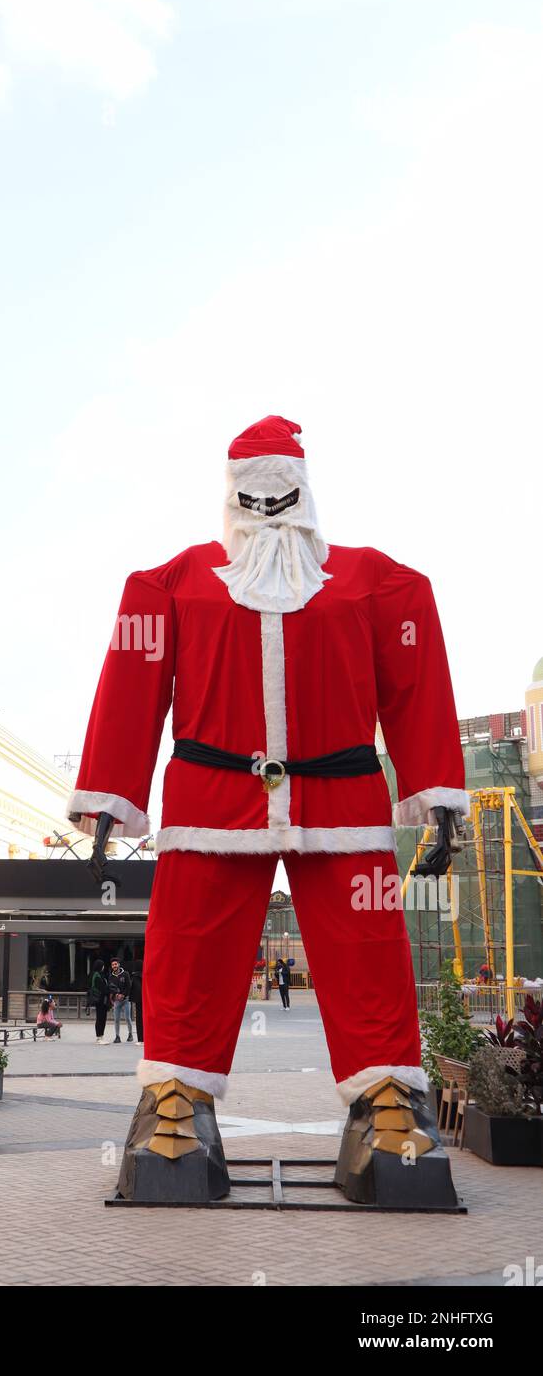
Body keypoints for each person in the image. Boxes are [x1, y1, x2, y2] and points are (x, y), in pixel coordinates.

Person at [68, 414, 467, 1207]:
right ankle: (175, 1098)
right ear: (230, 495)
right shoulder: (169, 585)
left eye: (280, 488)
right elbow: (131, 686)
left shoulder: (381, 585)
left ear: (305, 488)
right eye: (250, 491)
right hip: (212, 803)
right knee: (189, 951)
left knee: (369, 952)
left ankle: (388, 1097)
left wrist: (438, 798)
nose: (266, 502)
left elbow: (416, 690)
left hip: (344, 800)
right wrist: (111, 795)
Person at [108, 958, 133, 1043]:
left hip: (126, 999)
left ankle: (130, 1034)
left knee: (127, 1018)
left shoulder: (125, 974)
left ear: (119, 964)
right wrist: (116, 995)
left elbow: (129, 986)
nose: (114, 966)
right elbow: (111, 987)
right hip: (116, 1000)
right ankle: (117, 1036)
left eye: (115, 964)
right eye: (112, 965)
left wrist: (123, 995)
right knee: (116, 1019)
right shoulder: (111, 976)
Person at [89, 959, 109, 1043]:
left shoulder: (100, 975)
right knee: (100, 1018)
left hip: (103, 1000)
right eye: (103, 965)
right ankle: (99, 1037)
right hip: (100, 1000)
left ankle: (101, 1036)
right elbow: (102, 988)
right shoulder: (96, 975)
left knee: (103, 1018)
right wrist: (109, 990)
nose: (104, 967)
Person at [129, 958, 144, 1042]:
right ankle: (146, 1038)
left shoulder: (134, 976)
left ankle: (140, 1039)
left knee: (139, 1019)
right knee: (145, 1019)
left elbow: (132, 988)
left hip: (137, 1000)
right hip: (145, 1000)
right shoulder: (145, 975)